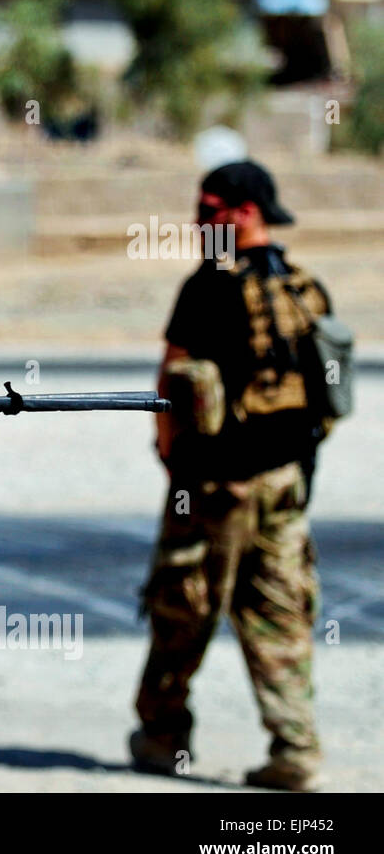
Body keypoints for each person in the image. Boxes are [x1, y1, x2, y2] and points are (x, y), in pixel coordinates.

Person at [132, 160, 336, 792]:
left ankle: (163, 734)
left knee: (183, 607)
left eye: (209, 210)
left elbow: (170, 382)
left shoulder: (208, 286)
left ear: (245, 212)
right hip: (285, 483)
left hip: (215, 486)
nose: (198, 225)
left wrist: (174, 465)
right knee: (280, 613)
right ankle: (295, 748)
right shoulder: (307, 288)